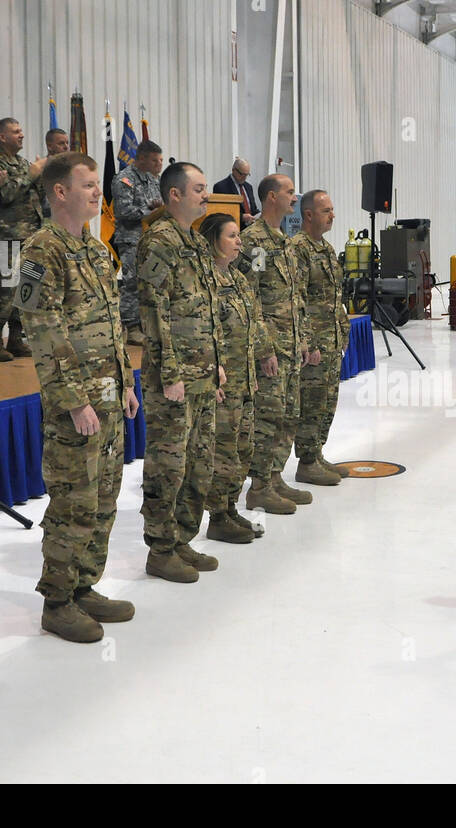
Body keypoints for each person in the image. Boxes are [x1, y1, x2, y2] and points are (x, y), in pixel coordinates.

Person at [14, 152, 140, 643]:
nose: (97, 193)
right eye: (88, 185)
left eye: (97, 185)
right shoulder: (40, 251)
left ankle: (85, 584)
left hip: (109, 396)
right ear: (60, 192)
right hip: (77, 406)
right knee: (74, 500)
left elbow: (111, 328)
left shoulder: (92, 251)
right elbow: (43, 328)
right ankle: (58, 600)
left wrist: (127, 381)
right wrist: (73, 400)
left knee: (104, 497)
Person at [136, 161, 225, 582]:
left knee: (198, 461)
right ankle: (160, 548)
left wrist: (219, 364)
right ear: (175, 195)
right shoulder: (160, 241)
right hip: (173, 376)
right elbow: (154, 309)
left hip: (203, 372)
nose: (205, 196)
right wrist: (169, 372)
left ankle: (182, 538)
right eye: (198, 189)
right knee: (168, 465)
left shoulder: (194, 242)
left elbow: (205, 310)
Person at [235, 174, 313, 513]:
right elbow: (249, 298)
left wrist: (305, 339)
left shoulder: (285, 240)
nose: (294, 198)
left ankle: (275, 475)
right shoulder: (254, 243)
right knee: (267, 418)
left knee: (288, 415)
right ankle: (259, 487)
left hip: (291, 345)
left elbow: (296, 296)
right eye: (289, 192)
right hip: (270, 349)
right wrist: (264, 348)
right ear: (271, 197)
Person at [203, 213, 272, 543]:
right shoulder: (206, 283)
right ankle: (217, 515)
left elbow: (254, 322)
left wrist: (257, 362)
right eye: (231, 236)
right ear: (214, 242)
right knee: (223, 450)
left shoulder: (239, 279)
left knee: (242, 447)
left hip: (243, 379)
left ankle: (230, 507)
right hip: (222, 382)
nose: (239, 241)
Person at [289, 190, 350, 486]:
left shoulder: (325, 248)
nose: (332, 215)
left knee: (327, 401)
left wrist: (343, 330)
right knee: (312, 402)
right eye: (326, 210)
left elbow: (334, 296)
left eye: (333, 209)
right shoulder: (298, 248)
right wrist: (307, 342)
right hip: (314, 344)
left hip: (332, 339)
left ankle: (317, 452)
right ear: (309, 214)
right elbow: (296, 299)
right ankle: (307, 462)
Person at [0, 117, 46, 362]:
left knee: (27, 290)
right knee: (4, 292)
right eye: (16, 131)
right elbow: (4, 195)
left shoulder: (23, 163)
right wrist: (32, 174)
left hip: (31, 238)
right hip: (5, 239)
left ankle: (17, 339)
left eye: (21, 130)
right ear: (2, 136)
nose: (21, 135)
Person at [113, 140, 166, 345]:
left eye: (160, 160)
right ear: (141, 157)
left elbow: (159, 206)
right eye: (154, 160)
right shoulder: (124, 179)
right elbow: (123, 211)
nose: (158, 164)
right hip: (131, 239)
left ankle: (146, 323)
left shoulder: (155, 180)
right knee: (132, 282)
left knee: (151, 280)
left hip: (152, 239)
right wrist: (150, 211)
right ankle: (131, 326)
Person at [213, 158, 259, 224]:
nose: (244, 177)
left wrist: (261, 215)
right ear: (233, 170)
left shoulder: (249, 187)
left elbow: (253, 209)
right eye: (241, 174)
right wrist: (241, 217)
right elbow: (220, 213)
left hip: (251, 228)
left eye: (246, 175)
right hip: (234, 228)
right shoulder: (221, 187)